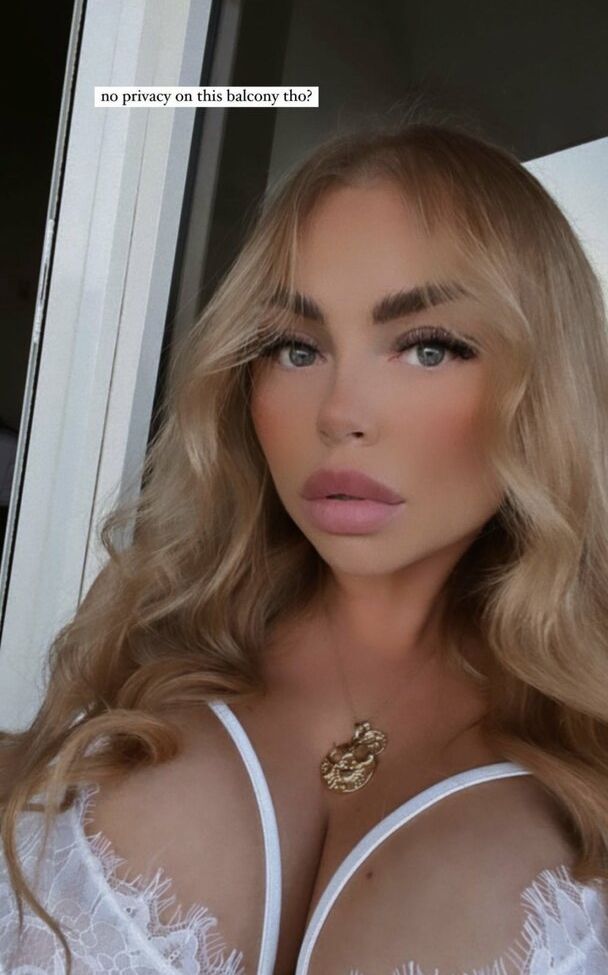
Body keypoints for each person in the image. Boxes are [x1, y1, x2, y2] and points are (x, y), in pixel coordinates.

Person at [1, 116, 608, 975]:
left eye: (427, 348)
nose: (338, 412)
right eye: (296, 347)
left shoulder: (585, 745)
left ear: (545, 387)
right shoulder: (143, 670)